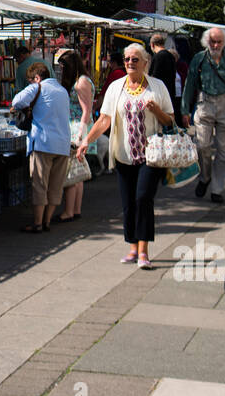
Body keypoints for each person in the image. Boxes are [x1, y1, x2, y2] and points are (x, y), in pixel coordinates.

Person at [74, 43, 173, 269]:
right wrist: (86, 140)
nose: (129, 63)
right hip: (123, 154)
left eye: (135, 59)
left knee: (143, 199)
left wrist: (155, 110)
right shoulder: (116, 87)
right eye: (127, 59)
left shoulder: (157, 87)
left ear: (145, 63)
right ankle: (131, 247)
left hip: (151, 155)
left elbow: (170, 120)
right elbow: (104, 120)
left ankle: (143, 251)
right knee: (128, 202)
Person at [182, 27, 225, 204]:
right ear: (206, 42)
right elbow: (190, 84)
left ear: (224, 42)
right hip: (205, 102)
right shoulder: (199, 59)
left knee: (223, 150)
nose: (216, 44)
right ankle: (205, 177)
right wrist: (185, 109)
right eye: (212, 41)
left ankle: (218, 189)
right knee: (201, 145)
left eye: (219, 41)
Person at [11, 62, 71, 233]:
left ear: (36, 78)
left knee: (40, 184)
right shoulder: (62, 91)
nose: (31, 83)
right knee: (55, 185)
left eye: (31, 80)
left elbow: (16, 101)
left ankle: (37, 223)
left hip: (43, 142)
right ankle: (47, 221)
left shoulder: (37, 87)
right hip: (63, 143)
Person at [54, 49, 94, 224]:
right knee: (77, 174)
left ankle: (69, 211)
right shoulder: (83, 80)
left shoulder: (80, 83)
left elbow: (86, 111)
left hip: (77, 128)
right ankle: (75, 210)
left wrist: (80, 135)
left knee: (70, 173)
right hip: (78, 128)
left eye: (63, 66)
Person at [148, 33, 182, 125]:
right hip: (170, 94)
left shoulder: (158, 56)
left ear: (152, 45)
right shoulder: (171, 56)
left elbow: (153, 77)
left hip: (159, 96)